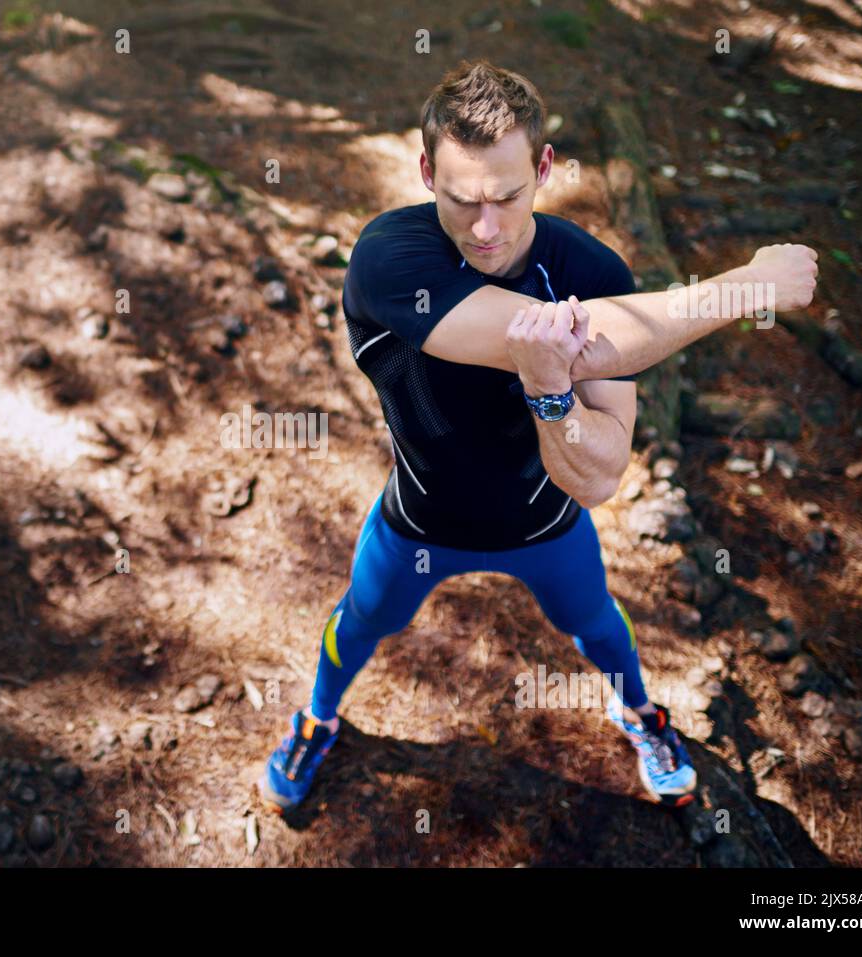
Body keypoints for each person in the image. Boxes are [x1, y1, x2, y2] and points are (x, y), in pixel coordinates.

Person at [262, 59, 817, 813]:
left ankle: (643, 715)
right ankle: (317, 718)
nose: (485, 227)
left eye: (507, 196)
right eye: (462, 200)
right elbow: (596, 343)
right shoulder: (391, 260)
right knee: (364, 618)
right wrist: (743, 287)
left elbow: (598, 478)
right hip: (418, 523)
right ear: (426, 172)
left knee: (595, 624)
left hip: (548, 525)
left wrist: (550, 394)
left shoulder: (588, 268)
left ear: (545, 167)